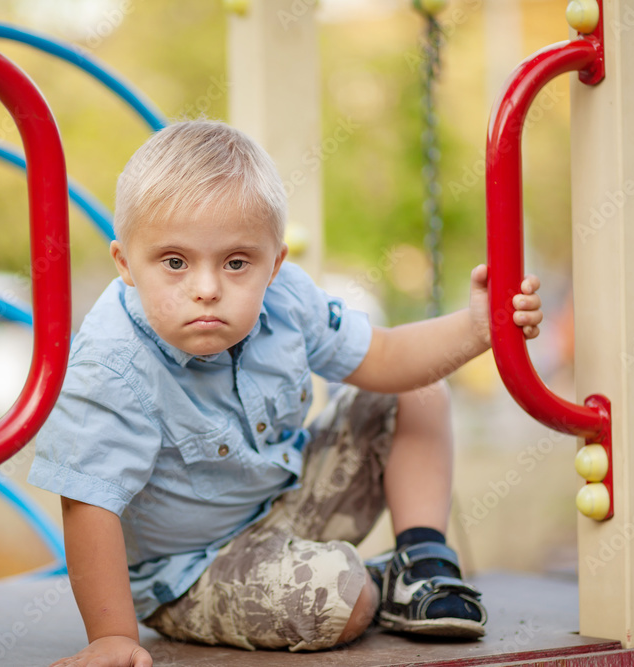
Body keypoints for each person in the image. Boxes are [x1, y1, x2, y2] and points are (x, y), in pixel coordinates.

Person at [29, 120, 543, 666]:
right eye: (175, 262)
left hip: (288, 503)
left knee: (415, 392)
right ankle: (372, 585)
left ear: (274, 264)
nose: (207, 288)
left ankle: (419, 564)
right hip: (190, 574)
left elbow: (387, 357)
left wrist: (477, 329)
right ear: (126, 264)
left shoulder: (288, 301)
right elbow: (89, 504)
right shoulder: (111, 362)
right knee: (344, 599)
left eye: (236, 263)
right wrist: (112, 636)